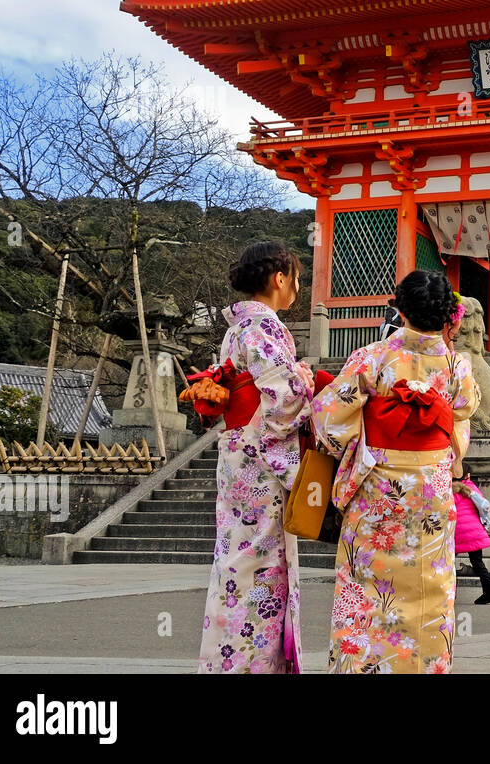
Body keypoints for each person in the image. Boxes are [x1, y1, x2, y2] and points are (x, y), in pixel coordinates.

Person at [311, 270, 480, 673]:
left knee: (365, 587)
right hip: (432, 492)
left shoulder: (373, 358)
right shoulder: (459, 367)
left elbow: (329, 419)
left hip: (377, 488)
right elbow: (460, 425)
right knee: (431, 589)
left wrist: (358, 441)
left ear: (399, 309)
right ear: (447, 316)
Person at [198, 241, 313, 674]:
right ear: (280, 278)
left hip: (236, 454)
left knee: (236, 557)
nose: (297, 288)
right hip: (260, 457)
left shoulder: (237, 328)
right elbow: (284, 400)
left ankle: (226, 660)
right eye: (296, 278)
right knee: (262, 563)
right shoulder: (263, 327)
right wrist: (306, 382)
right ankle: (252, 664)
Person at [453, 471, 490, 605]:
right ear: (468, 475)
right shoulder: (472, 488)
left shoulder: (451, 490)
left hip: (459, 531)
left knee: (448, 563)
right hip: (475, 530)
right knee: (477, 562)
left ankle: (449, 593)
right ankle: (489, 592)